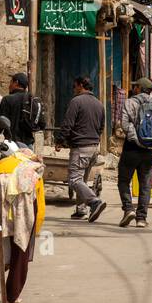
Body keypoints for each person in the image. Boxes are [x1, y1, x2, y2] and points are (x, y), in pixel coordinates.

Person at [118, 77, 152, 228]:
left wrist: (135, 138)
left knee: (123, 181)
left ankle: (128, 209)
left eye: (135, 86)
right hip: (149, 151)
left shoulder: (130, 102)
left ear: (138, 89)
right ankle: (141, 218)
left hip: (131, 148)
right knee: (145, 185)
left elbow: (124, 123)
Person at [55, 76, 106, 223]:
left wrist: (60, 140)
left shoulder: (76, 101)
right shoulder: (99, 104)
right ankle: (81, 209)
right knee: (82, 179)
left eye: (74, 86)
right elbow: (101, 127)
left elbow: (68, 123)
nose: (73, 89)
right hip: (93, 147)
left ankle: (94, 202)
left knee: (74, 179)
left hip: (81, 147)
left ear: (81, 86)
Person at [0, 72, 45, 151]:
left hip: (12, 146)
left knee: (4, 163)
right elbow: (42, 124)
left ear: (16, 83)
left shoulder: (8, 99)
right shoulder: (33, 100)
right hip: (28, 146)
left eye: (11, 82)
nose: (9, 86)